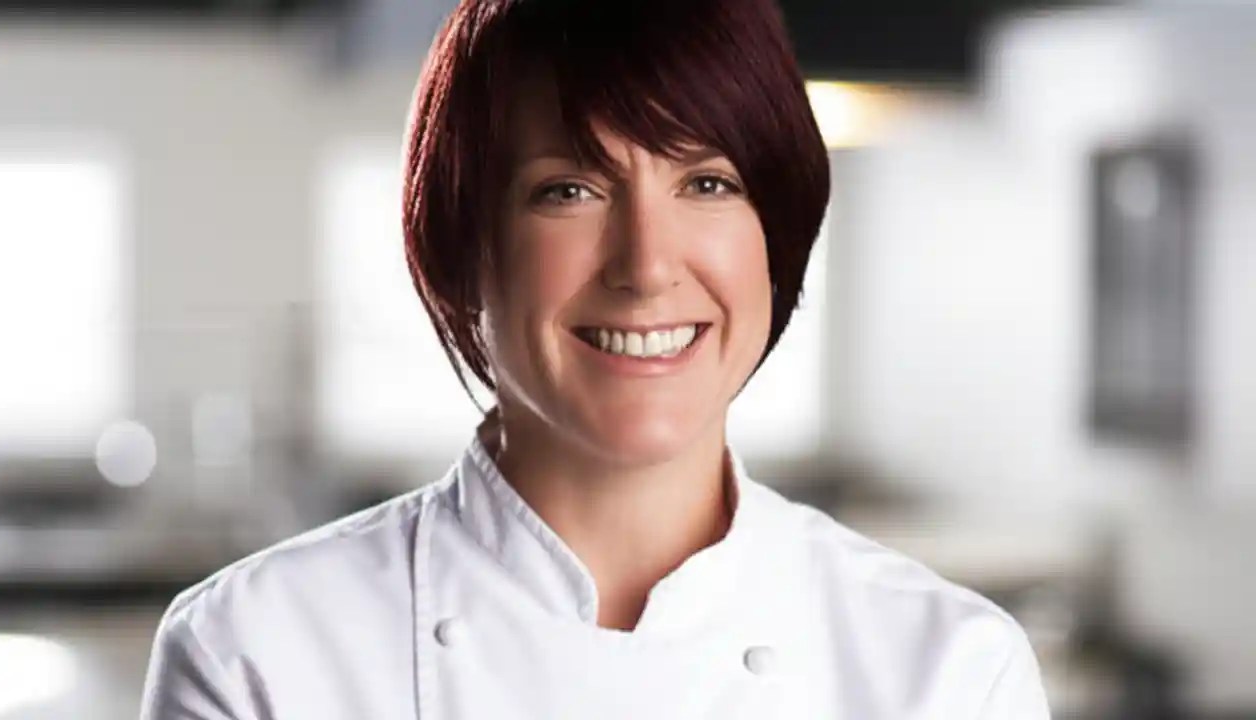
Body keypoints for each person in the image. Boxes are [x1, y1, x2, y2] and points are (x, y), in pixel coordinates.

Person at [140, 0, 1052, 718]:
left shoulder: (949, 672)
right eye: (568, 190)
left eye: (708, 182)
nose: (647, 265)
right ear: (463, 253)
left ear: (778, 237)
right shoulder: (256, 653)